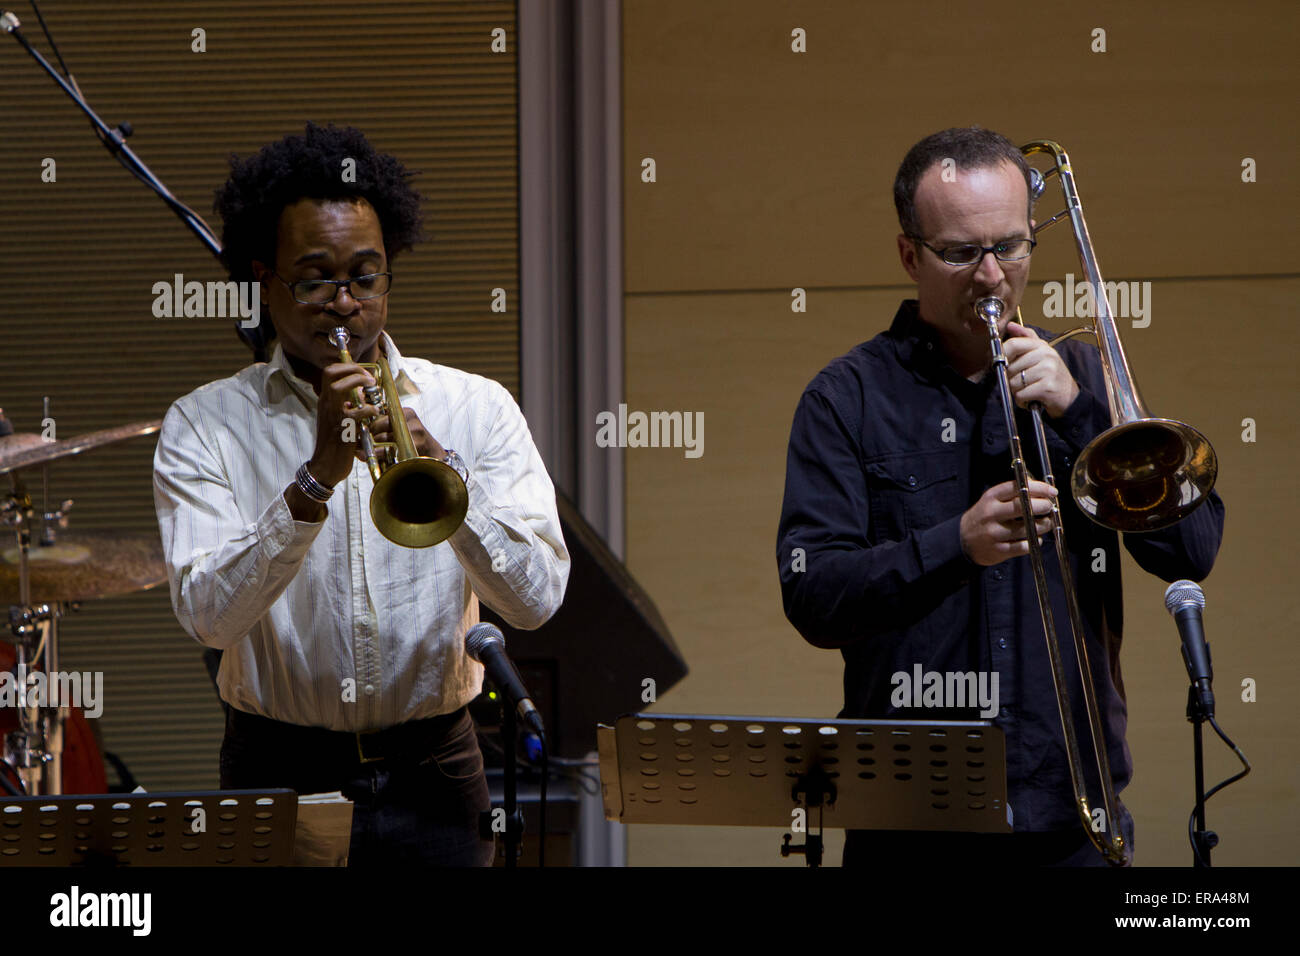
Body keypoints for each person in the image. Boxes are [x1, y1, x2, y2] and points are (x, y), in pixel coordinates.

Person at [776, 127, 1224, 866]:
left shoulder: (1082, 369)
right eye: (960, 253)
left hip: (1069, 826)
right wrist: (955, 544)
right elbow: (814, 595)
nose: (991, 277)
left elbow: (1192, 548)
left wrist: (1081, 415)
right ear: (909, 255)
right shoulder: (846, 398)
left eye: (1010, 247)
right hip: (910, 829)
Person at [153, 123, 570, 866]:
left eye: (366, 277)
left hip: (437, 771)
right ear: (264, 281)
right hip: (278, 773)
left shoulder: (476, 408)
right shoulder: (205, 423)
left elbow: (535, 600)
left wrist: (452, 487)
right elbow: (208, 616)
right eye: (314, 280)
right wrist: (314, 481)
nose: (344, 304)